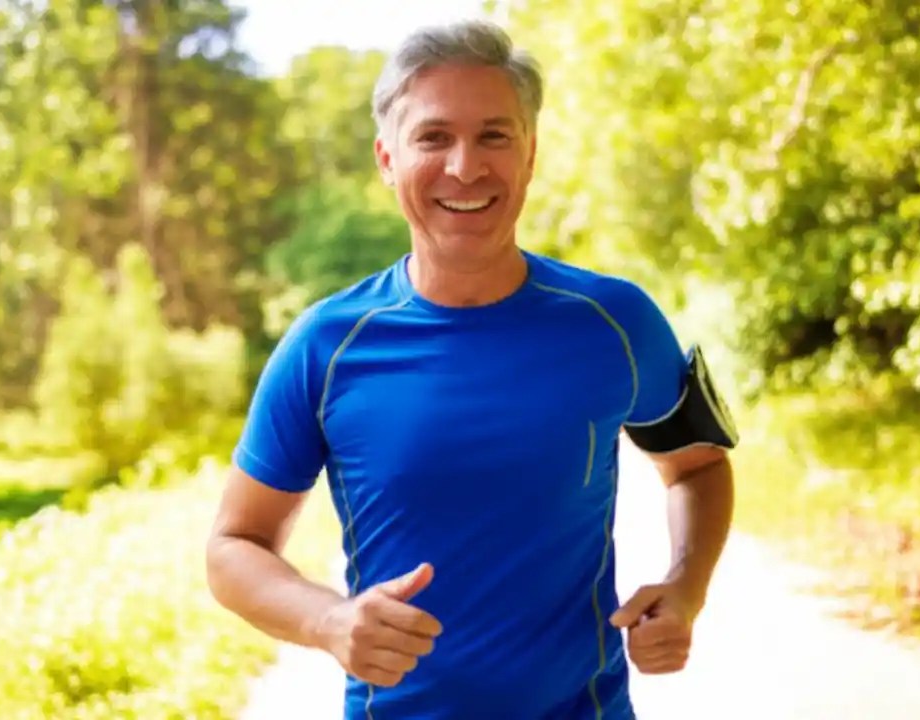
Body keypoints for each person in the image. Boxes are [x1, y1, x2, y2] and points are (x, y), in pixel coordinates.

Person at [206, 18, 737, 720]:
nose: (465, 167)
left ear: (530, 153)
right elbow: (232, 546)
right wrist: (328, 622)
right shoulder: (325, 347)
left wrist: (686, 583)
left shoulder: (616, 321)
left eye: (494, 135)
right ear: (387, 158)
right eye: (433, 137)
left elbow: (697, 466)